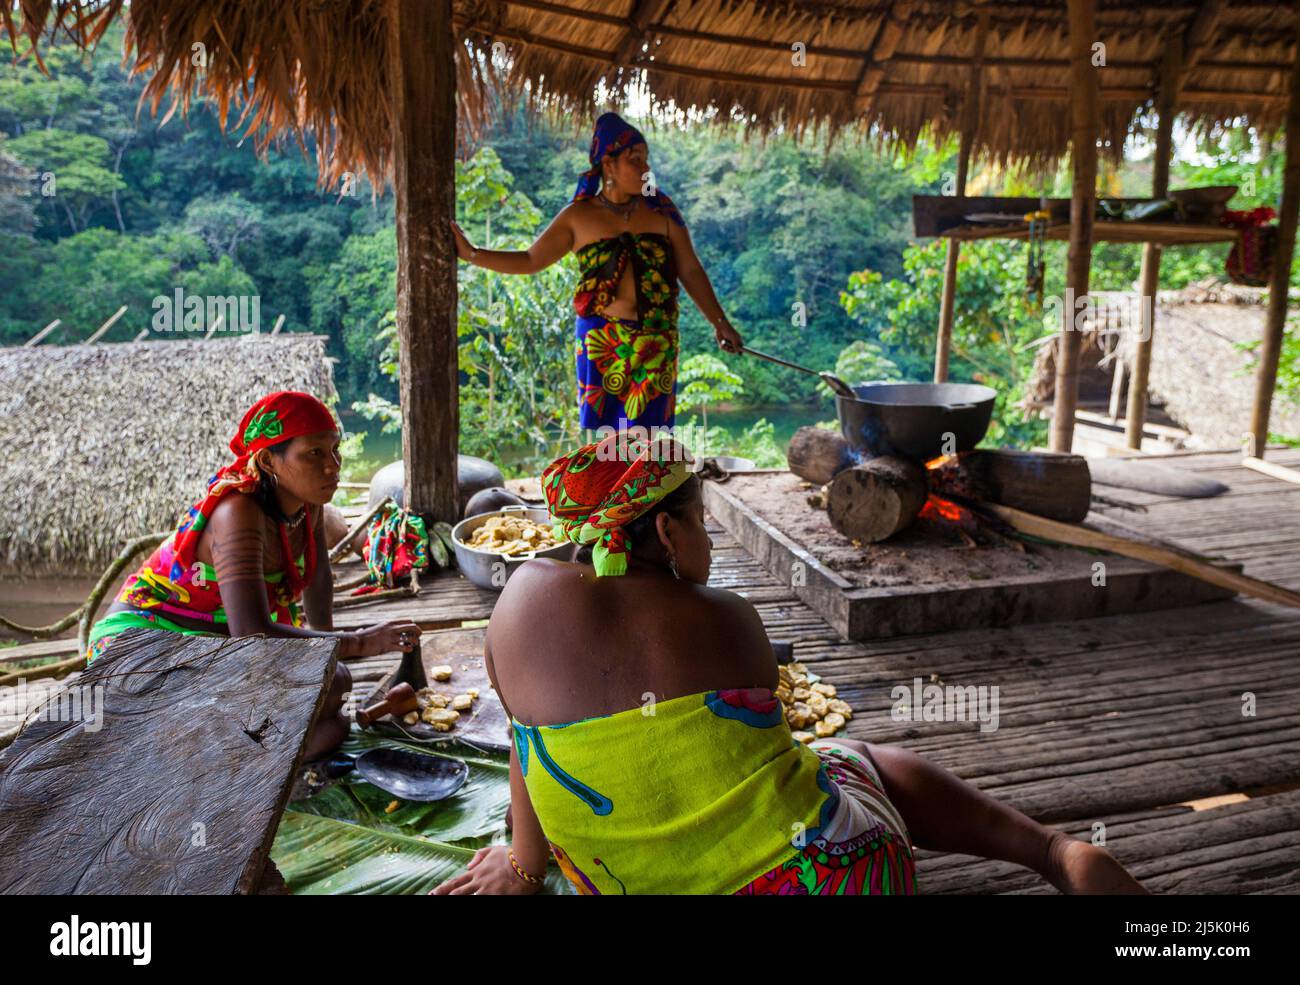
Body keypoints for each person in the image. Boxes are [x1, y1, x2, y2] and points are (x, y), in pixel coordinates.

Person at [431, 434, 1147, 895]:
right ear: (668, 530)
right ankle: (1052, 852)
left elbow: (527, 742)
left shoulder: (515, 603)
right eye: (703, 521)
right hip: (840, 878)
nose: (706, 536)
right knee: (844, 752)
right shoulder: (728, 617)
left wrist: (525, 868)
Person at [85, 391, 422, 759]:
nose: (333, 466)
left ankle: (244, 754)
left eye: (334, 450)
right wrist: (358, 642)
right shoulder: (237, 513)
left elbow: (318, 577)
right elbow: (252, 631)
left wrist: (326, 655)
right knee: (325, 712)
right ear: (267, 460)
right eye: (314, 454)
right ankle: (228, 755)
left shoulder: (308, 503)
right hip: (144, 647)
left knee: (336, 689)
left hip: (217, 639)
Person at [449, 111, 744, 435]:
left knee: (651, 439)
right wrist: (472, 254)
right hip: (601, 340)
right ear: (608, 164)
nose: (645, 168)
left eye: (646, 159)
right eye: (635, 159)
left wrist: (720, 322)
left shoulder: (662, 210)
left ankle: (647, 487)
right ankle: (608, 486)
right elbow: (531, 260)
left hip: (656, 341)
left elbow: (690, 269)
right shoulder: (578, 216)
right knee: (610, 442)